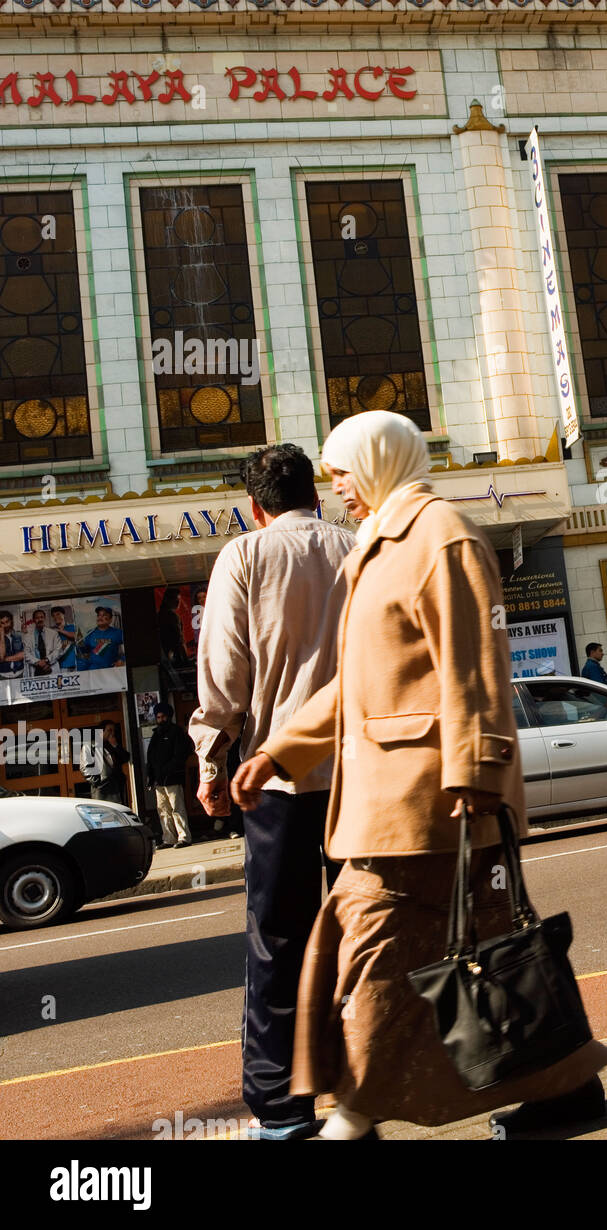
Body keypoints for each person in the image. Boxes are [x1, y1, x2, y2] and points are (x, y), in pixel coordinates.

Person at [230, 411, 607, 1141]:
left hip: (432, 804)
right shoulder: (378, 543)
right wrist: (281, 751)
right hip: (391, 804)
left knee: (374, 957)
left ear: (380, 462)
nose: (337, 487)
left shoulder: (441, 535)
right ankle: (566, 1088)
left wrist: (475, 772)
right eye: (334, 473)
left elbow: (475, 664)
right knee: (484, 955)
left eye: (344, 471)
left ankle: (353, 1118)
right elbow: (355, 685)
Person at [188, 442, 355, 1142]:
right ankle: (360, 1092)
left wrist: (209, 758)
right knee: (359, 937)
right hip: (357, 778)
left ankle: (283, 1111)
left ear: (254, 506)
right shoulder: (357, 548)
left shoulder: (246, 556)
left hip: (277, 779)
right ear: (314, 494)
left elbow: (224, 670)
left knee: (277, 943)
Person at [147, 704, 194, 848]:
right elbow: (150, 758)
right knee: (163, 810)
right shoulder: (156, 734)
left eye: (163, 717)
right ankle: (169, 838)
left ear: (169, 716)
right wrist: (151, 777)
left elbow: (180, 755)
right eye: (158, 717)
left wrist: (168, 769)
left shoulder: (176, 732)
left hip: (172, 777)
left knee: (176, 807)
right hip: (159, 780)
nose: (160, 720)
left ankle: (184, 837)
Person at [81, 720, 129, 805]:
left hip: (118, 789)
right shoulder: (89, 746)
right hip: (103, 792)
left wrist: (116, 746)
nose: (112, 733)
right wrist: (99, 783)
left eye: (114, 730)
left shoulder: (112, 745)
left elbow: (126, 758)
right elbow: (85, 769)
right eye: (109, 730)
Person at [23, 608, 56, 677]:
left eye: (42, 617)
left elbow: (58, 650)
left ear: (45, 618)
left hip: (50, 666)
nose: (40, 619)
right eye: (37, 618)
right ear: (34, 620)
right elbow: (26, 653)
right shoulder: (28, 636)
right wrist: (38, 662)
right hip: (36, 667)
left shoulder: (53, 633)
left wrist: (47, 660)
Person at [0, 611, 23, 678]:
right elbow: (1, 656)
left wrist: (4, 659)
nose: (5, 625)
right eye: (2, 623)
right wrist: (1, 635)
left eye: (7, 622)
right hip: (2, 674)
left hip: (20, 673)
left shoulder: (19, 635)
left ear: (11, 621)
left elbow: (24, 654)